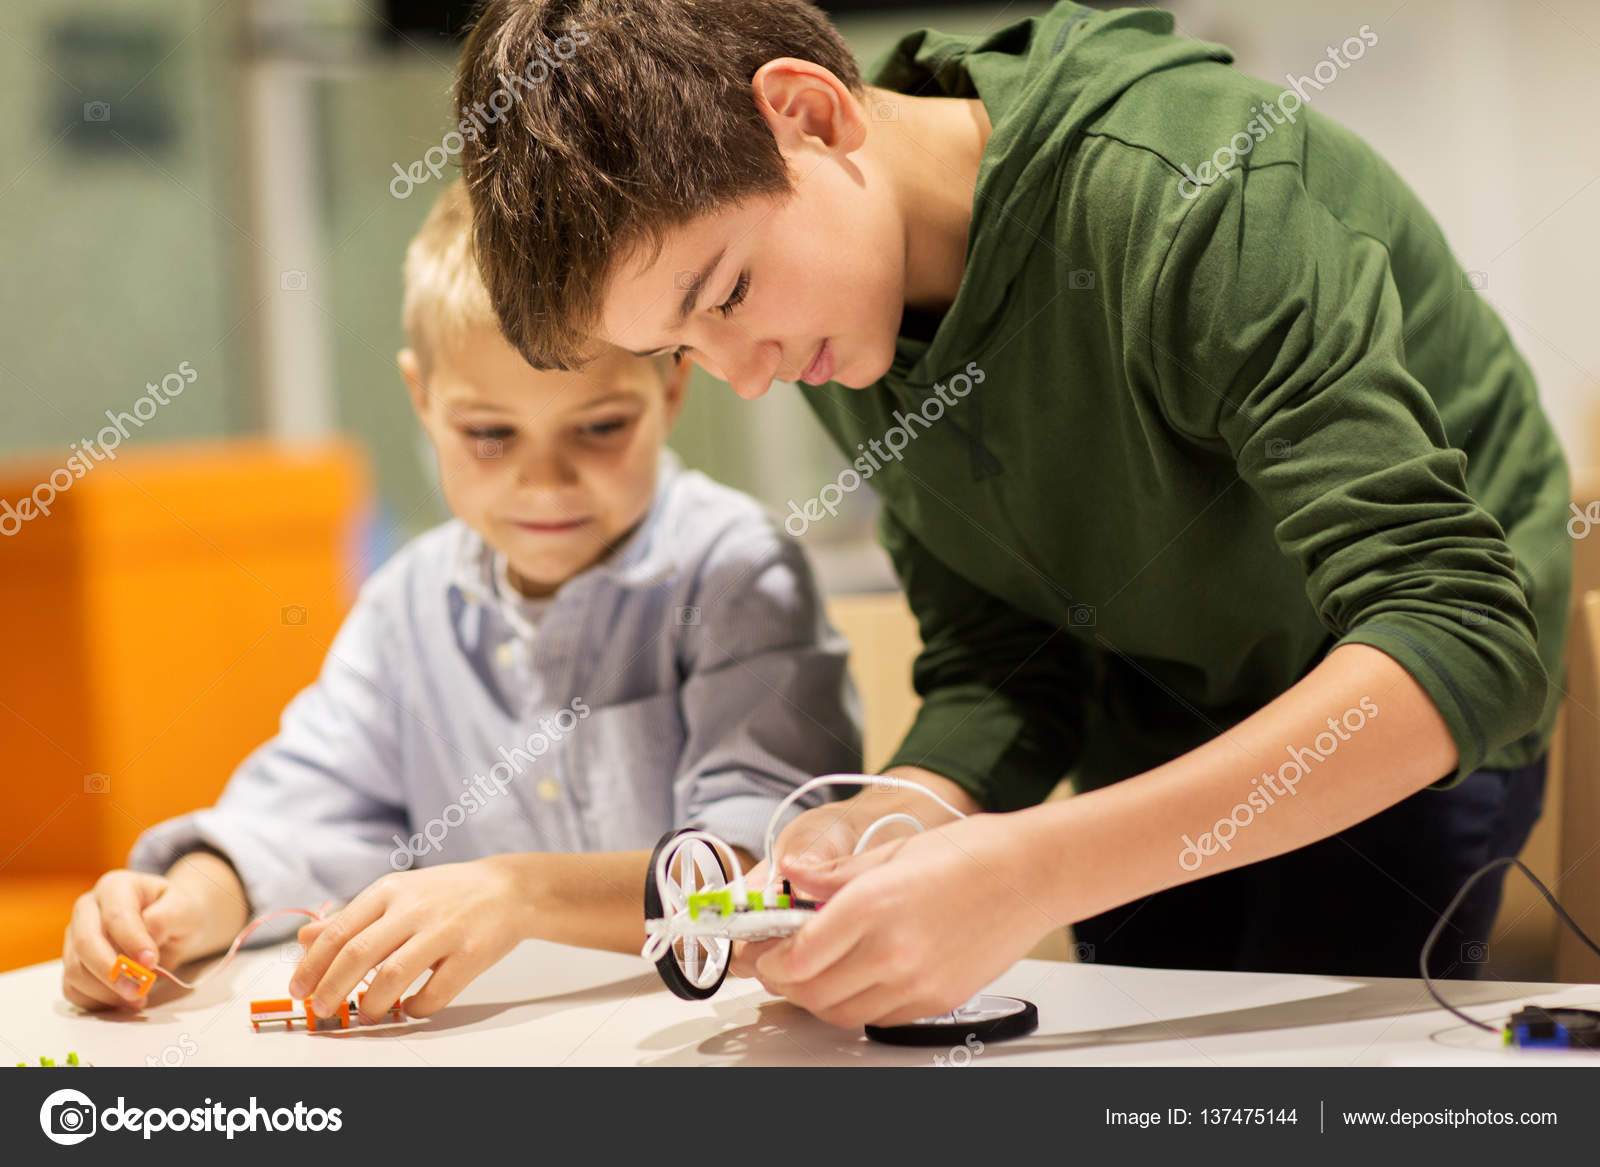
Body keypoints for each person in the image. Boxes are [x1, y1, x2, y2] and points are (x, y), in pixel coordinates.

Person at [454, 0, 1572, 1029]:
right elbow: (1001, 656)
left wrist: (1034, 868)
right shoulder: (847, 307)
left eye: (729, 294)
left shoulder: (1195, 187)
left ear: (807, 114)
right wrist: (892, 816)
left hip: (1400, 739)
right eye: (685, 349)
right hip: (1155, 735)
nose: (744, 376)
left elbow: (1461, 636)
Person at [59, 180, 860, 1024]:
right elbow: (303, 814)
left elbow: (758, 875)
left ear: (670, 388)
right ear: (423, 400)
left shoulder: (737, 573)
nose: (544, 479)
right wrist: (180, 906)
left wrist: (521, 893)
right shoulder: (407, 602)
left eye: (598, 427)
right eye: (490, 435)